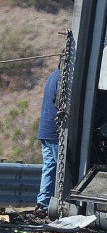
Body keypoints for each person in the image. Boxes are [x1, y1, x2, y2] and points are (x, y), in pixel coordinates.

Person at [35, 68, 60, 218]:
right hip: (56, 132)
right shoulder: (65, 78)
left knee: (50, 167)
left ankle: (43, 204)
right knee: (63, 171)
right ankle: (63, 206)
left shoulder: (53, 75)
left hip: (46, 130)